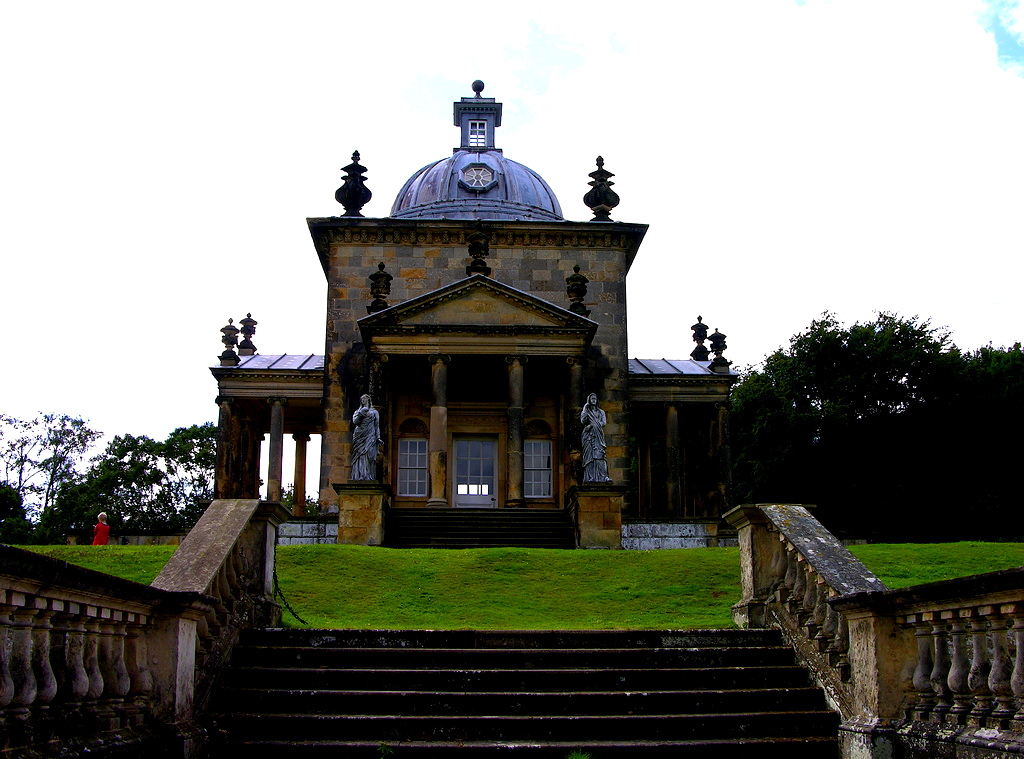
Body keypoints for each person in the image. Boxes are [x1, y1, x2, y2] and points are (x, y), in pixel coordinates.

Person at [580, 392, 612, 483]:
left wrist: (595, 425)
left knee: (601, 456)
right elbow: (583, 421)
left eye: (595, 398)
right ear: (589, 400)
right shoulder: (587, 411)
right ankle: (590, 477)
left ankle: (604, 476)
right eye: (592, 399)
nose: (593, 400)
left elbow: (604, 423)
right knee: (589, 457)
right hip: (588, 436)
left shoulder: (601, 412)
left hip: (598, 435)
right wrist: (585, 409)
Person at [350, 394, 383, 481]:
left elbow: (376, 426)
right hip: (359, 435)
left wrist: (378, 437)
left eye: (364, 399)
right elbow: (355, 422)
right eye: (362, 399)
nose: (363, 401)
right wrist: (360, 414)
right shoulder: (358, 411)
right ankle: (360, 475)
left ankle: (368, 475)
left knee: (369, 454)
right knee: (360, 454)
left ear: (368, 400)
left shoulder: (374, 412)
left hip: (370, 434)